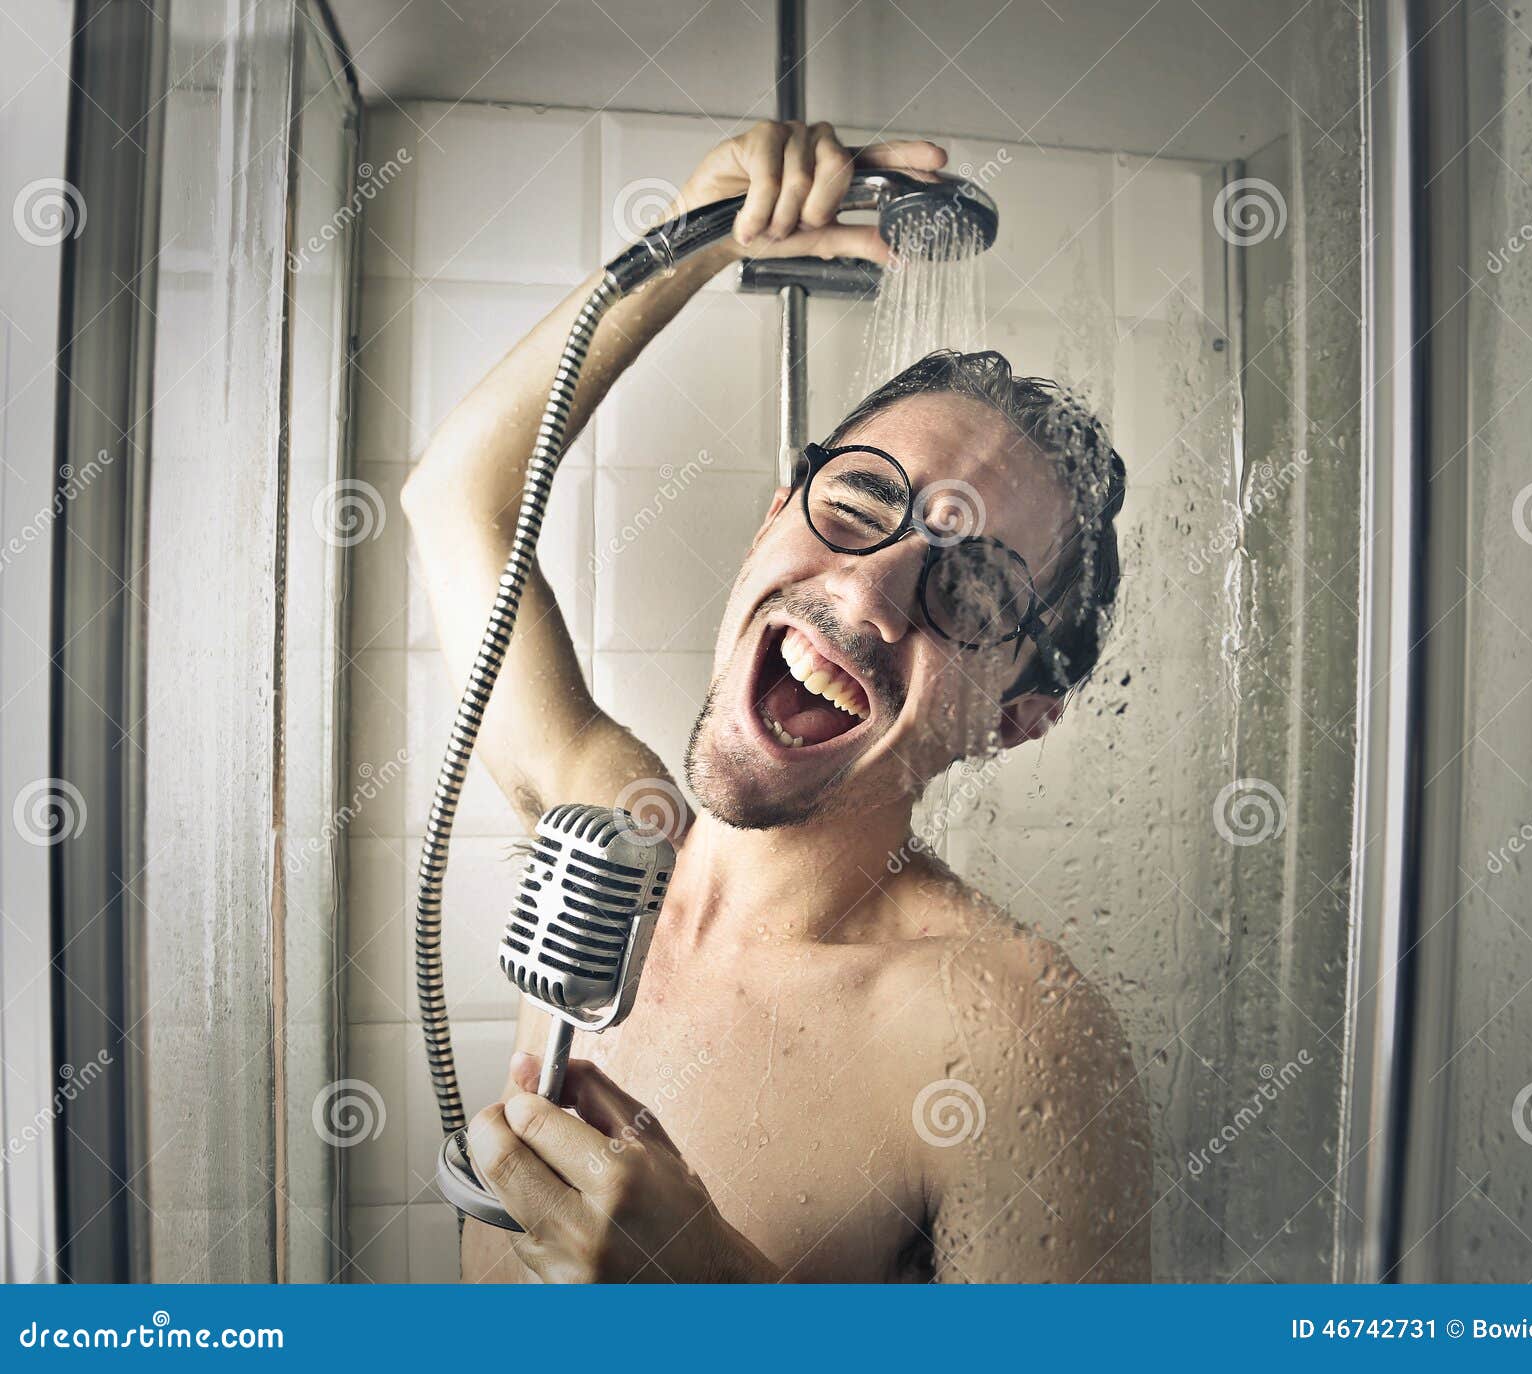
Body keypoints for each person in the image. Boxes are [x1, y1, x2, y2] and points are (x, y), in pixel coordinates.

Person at [402, 119, 1147, 1283]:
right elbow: (456, 499)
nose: (867, 587)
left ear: (1014, 714)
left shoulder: (1009, 1041)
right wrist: (692, 240)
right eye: (855, 503)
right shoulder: (608, 827)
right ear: (770, 519)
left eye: (973, 584)